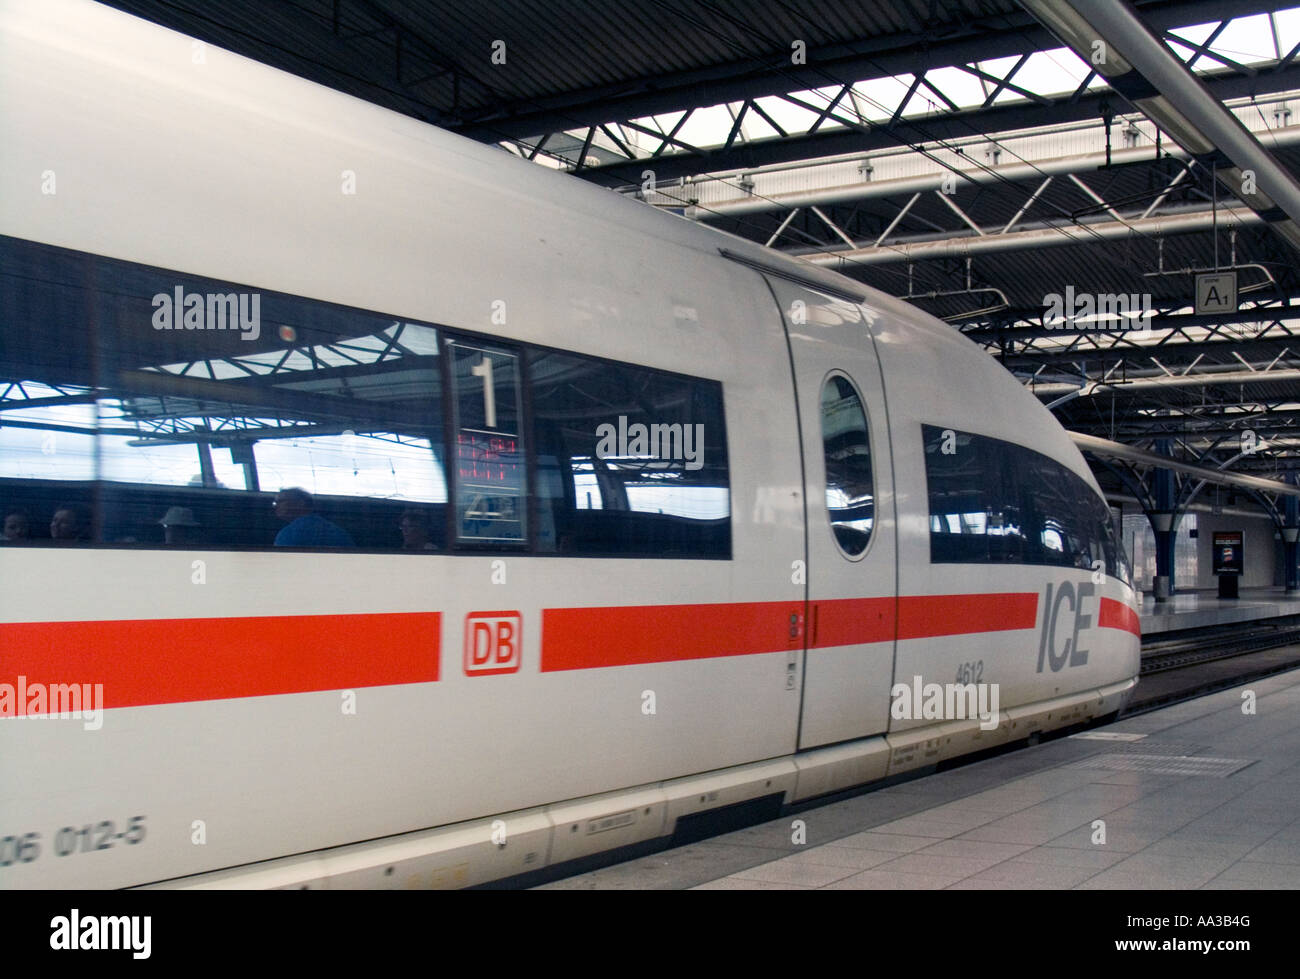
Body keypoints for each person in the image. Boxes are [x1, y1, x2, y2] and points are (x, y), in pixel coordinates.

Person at [272, 487, 354, 547]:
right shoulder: (334, 530)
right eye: (275, 503)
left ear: (300, 503)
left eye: (281, 501)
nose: (276, 506)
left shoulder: (291, 533)